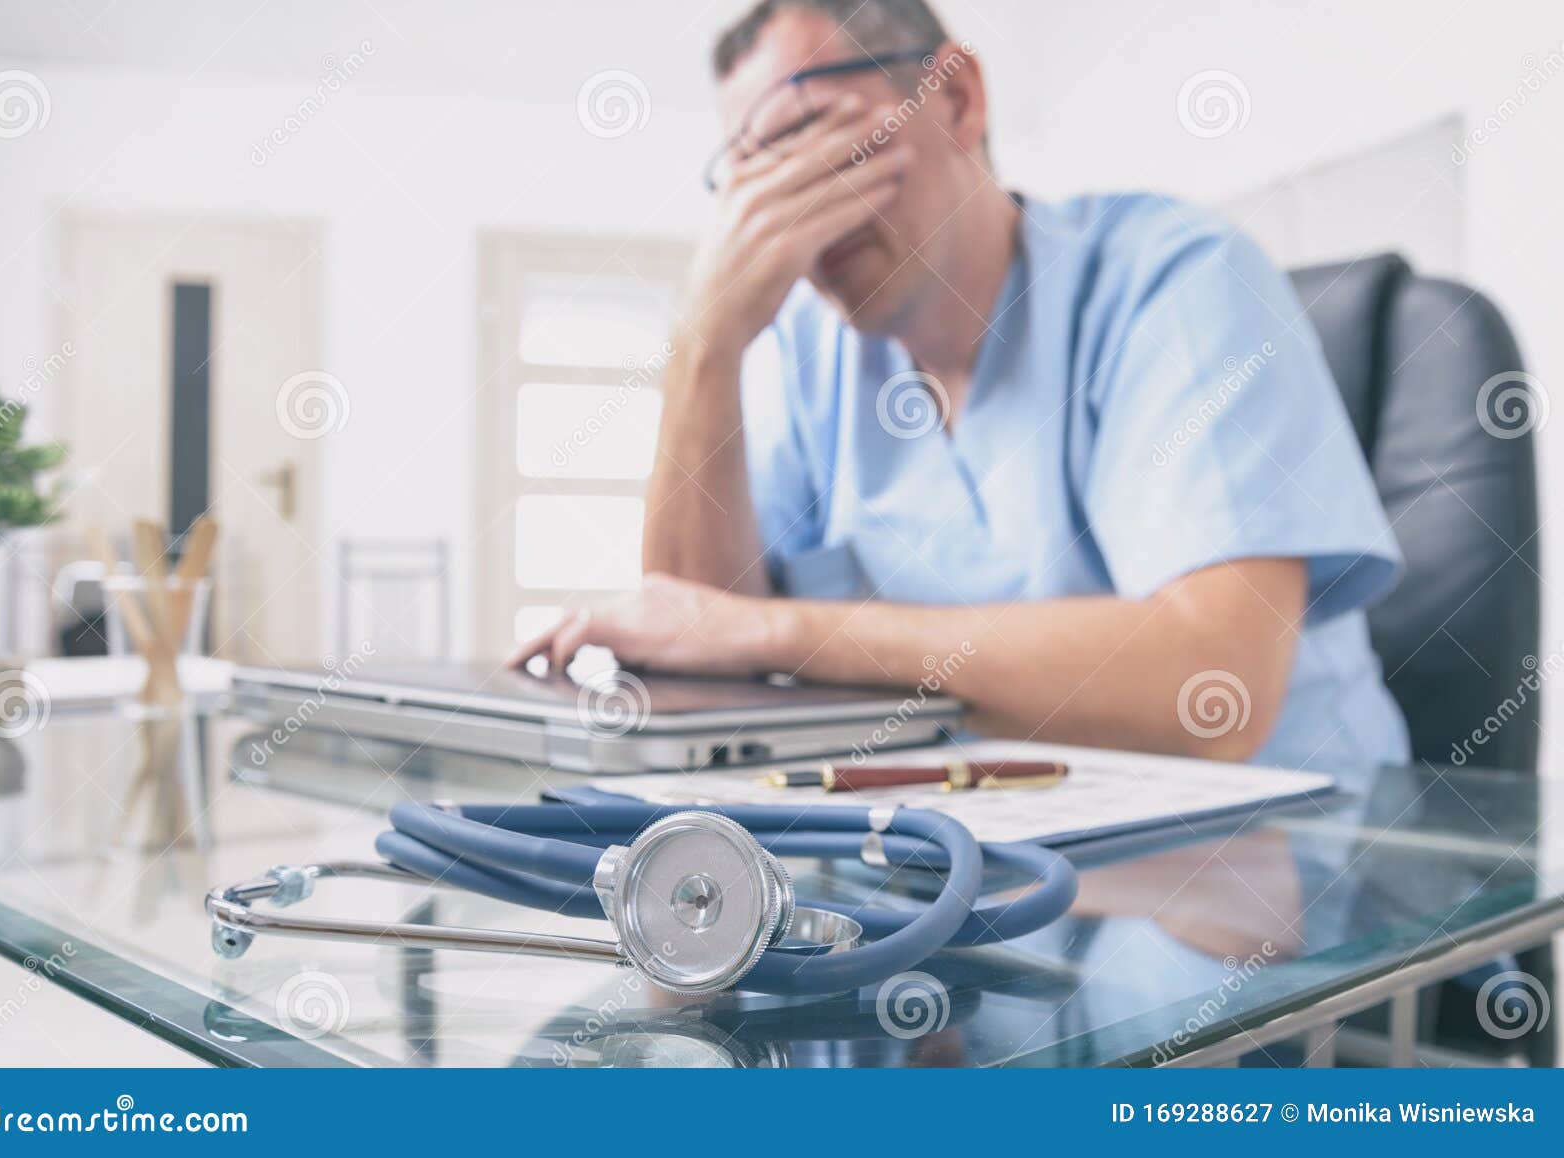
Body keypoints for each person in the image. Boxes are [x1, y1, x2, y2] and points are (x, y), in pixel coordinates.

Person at [507, 0, 1409, 771]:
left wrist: (781, 634)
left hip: (1277, 884)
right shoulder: (814, 363)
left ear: (955, 99)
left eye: (804, 139)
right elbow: (697, 661)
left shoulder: (1177, 282)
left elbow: (1213, 692)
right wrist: (703, 347)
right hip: (979, 874)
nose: (776, 211)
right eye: (746, 176)